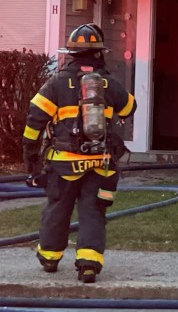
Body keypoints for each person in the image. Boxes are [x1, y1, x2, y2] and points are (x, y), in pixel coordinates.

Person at [23, 23, 136, 283]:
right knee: (93, 211)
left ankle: (50, 258)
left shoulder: (56, 83)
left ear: (71, 54)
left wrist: (31, 159)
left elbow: (34, 122)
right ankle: (88, 264)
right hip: (99, 163)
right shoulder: (108, 82)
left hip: (63, 165)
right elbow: (130, 107)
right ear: (99, 53)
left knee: (58, 209)